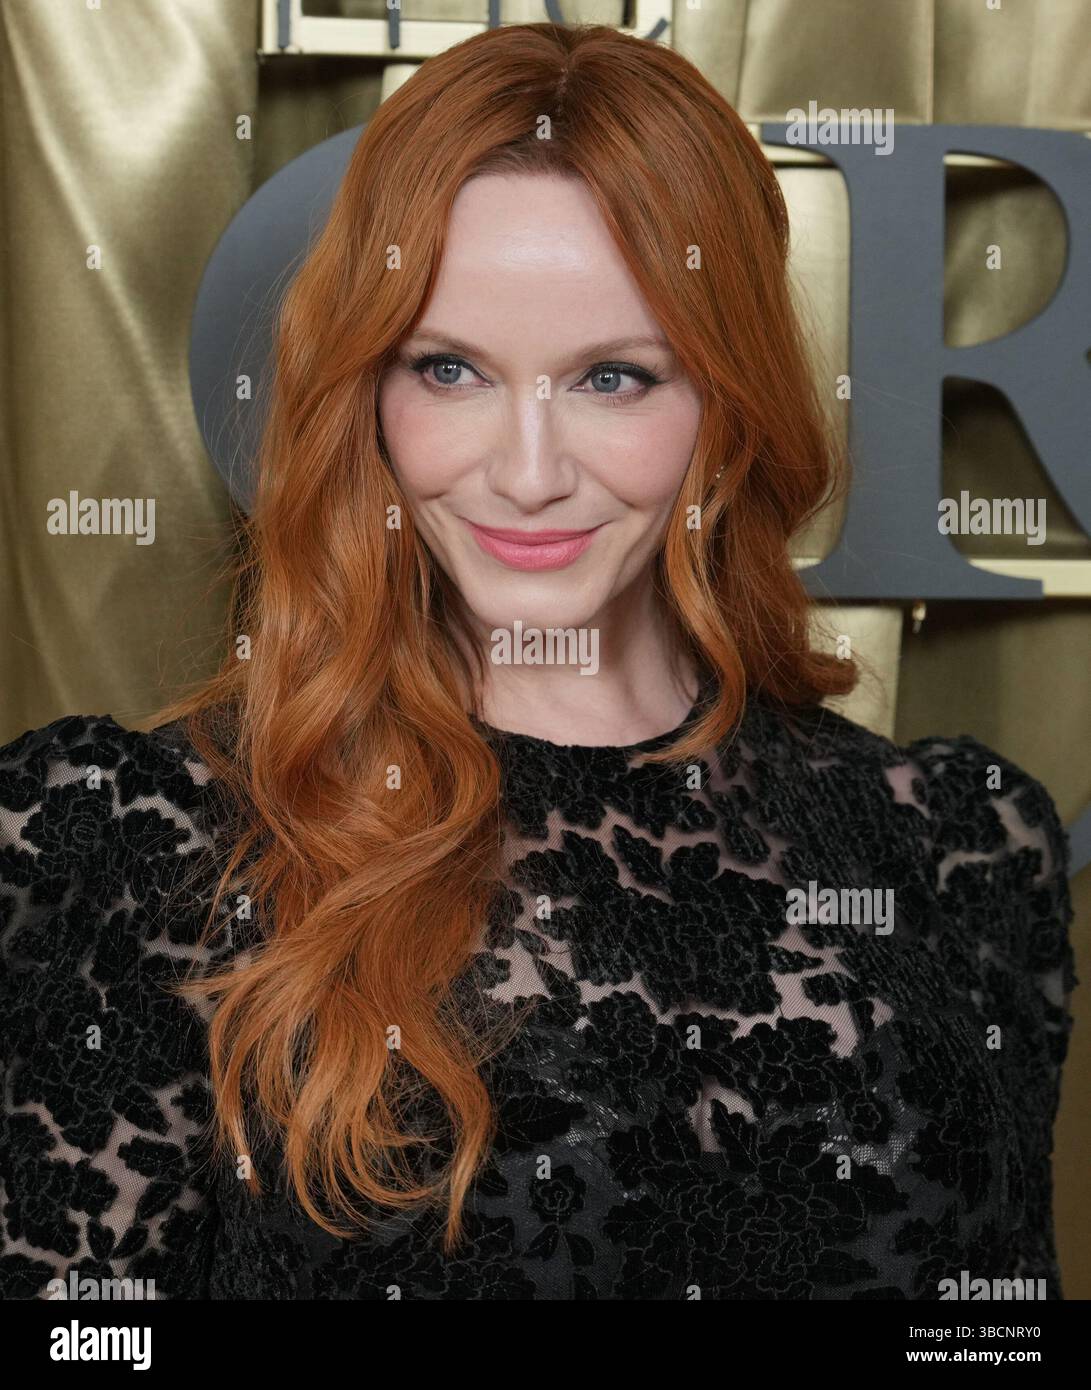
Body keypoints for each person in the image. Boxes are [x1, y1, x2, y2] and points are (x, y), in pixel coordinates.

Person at [0, 21, 1076, 1301]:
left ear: (728, 403)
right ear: (366, 393)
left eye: (612, 379)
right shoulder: (134, 843)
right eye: (448, 369)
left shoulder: (958, 852)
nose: (524, 472)